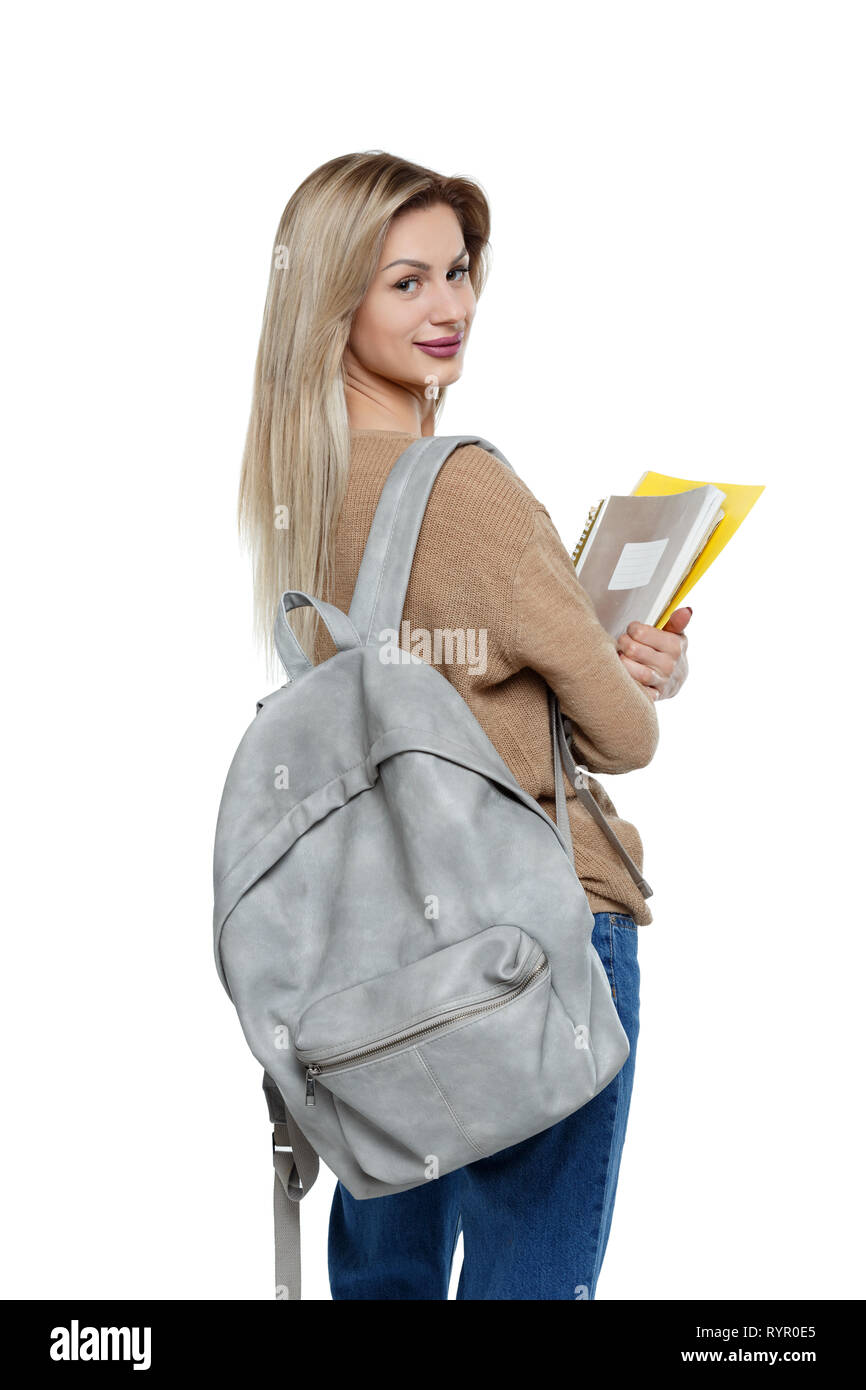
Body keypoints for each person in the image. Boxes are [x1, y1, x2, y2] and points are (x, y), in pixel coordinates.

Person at [239, 151, 690, 1300]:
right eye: (406, 282)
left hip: (380, 971)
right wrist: (635, 671)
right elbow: (619, 736)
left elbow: (424, 690)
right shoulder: (461, 487)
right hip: (532, 942)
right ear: (330, 295)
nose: (451, 307)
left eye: (457, 271)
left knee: (383, 1284)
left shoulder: (299, 488)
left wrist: (561, 650)